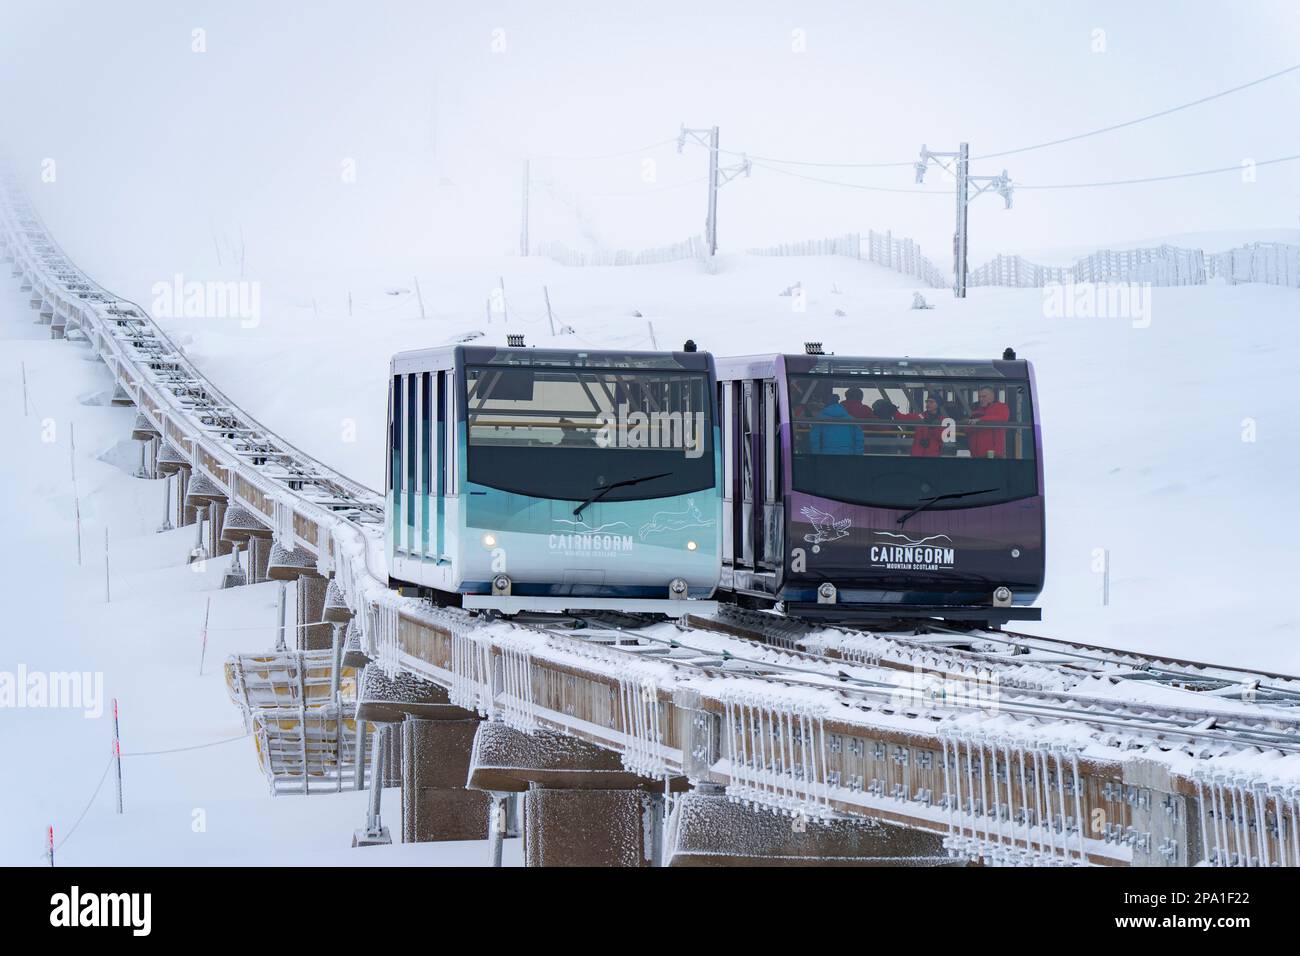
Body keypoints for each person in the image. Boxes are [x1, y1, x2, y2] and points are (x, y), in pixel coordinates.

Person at [967, 386, 1010, 458]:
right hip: (975, 454)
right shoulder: (975, 410)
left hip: (993, 454)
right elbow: (968, 430)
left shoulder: (1001, 407)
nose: (981, 399)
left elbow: (1002, 418)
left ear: (992, 396)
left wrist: (980, 420)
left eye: (984, 396)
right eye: (979, 397)